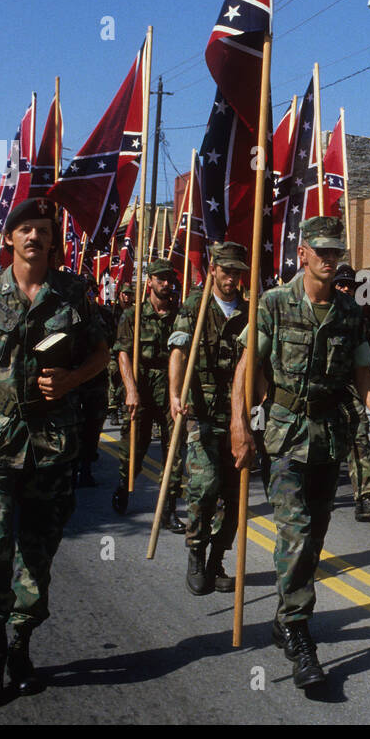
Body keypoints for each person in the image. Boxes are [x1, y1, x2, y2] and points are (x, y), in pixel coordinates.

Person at [0, 197, 108, 708]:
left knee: (38, 554)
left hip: (51, 442)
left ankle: (22, 644)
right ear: (8, 239)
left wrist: (72, 377)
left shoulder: (74, 291)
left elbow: (101, 352)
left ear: (54, 241)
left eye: (44, 231)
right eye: (25, 229)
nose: (34, 237)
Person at [231, 216, 370, 689]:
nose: (328, 259)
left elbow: (363, 373)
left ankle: (285, 615)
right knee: (296, 532)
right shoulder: (274, 304)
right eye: (320, 251)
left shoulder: (350, 313)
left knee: (315, 534)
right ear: (301, 253)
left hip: (329, 437)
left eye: (335, 252)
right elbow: (248, 366)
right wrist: (240, 426)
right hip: (284, 434)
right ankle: (300, 632)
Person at [169, 242, 250, 595]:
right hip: (200, 413)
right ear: (213, 269)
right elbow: (178, 351)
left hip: (237, 416)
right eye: (226, 270)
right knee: (205, 487)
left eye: (237, 272)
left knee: (235, 496)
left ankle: (218, 558)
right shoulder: (195, 307)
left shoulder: (249, 312)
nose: (232, 278)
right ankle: (196, 552)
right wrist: (175, 394)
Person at [112, 258, 185, 533]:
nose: (167, 284)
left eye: (170, 279)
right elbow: (122, 353)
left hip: (170, 385)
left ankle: (168, 509)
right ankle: (123, 484)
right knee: (134, 448)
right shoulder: (133, 315)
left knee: (174, 447)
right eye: (161, 279)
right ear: (150, 282)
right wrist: (130, 390)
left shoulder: (179, 315)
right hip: (141, 383)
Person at [333, 263, 370, 522]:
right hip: (323, 389)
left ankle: (365, 499)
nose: (345, 288)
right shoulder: (322, 312)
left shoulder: (361, 316)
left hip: (354, 385)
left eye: (350, 285)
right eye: (341, 284)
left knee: (359, 438)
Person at [74, 279, 110, 489]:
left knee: (93, 425)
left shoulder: (103, 315)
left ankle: (86, 467)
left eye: (91, 292)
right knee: (74, 426)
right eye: (85, 292)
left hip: (96, 381)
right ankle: (72, 468)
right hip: (75, 379)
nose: (89, 296)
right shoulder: (70, 315)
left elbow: (111, 341)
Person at [106, 285, 134, 425]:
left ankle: (124, 409)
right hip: (113, 351)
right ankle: (112, 410)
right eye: (125, 294)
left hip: (128, 351)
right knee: (113, 378)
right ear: (119, 295)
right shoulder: (112, 312)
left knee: (126, 381)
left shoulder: (134, 312)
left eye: (130, 294)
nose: (127, 297)